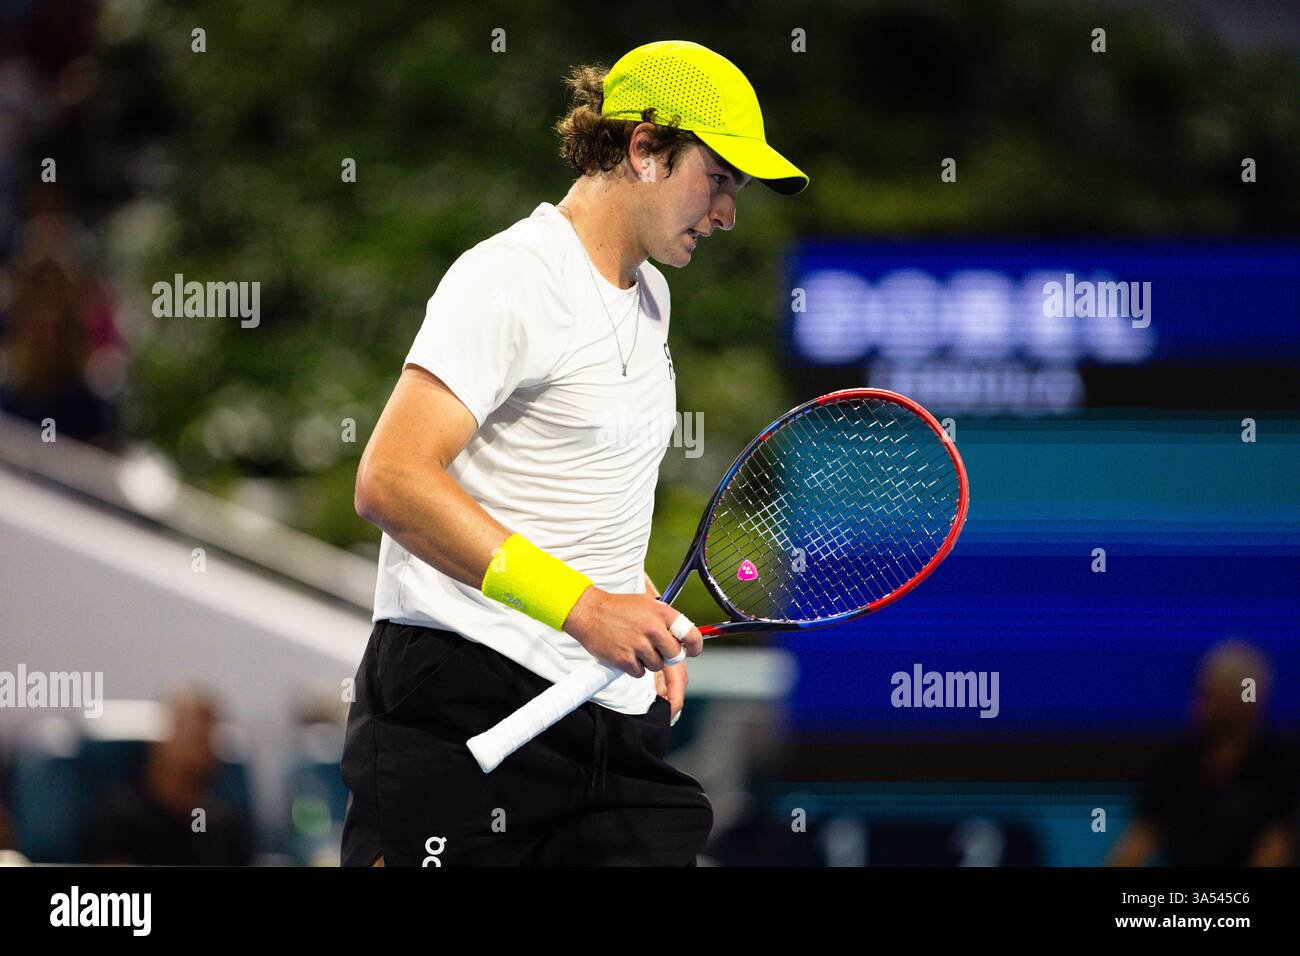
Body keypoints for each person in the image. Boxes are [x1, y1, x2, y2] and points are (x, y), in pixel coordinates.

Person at [340, 39, 807, 866]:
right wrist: (586, 609)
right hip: (464, 702)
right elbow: (391, 478)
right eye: (721, 178)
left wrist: (626, 601)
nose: (728, 212)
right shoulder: (509, 279)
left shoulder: (653, 296)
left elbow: (575, 484)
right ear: (645, 149)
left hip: (601, 717)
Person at [1108, 641, 1298, 866]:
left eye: (1218, 698)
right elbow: (1136, 845)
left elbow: (1275, 852)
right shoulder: (1174, 766)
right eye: (1203, 694)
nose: (1204, 706)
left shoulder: (1280, 771)